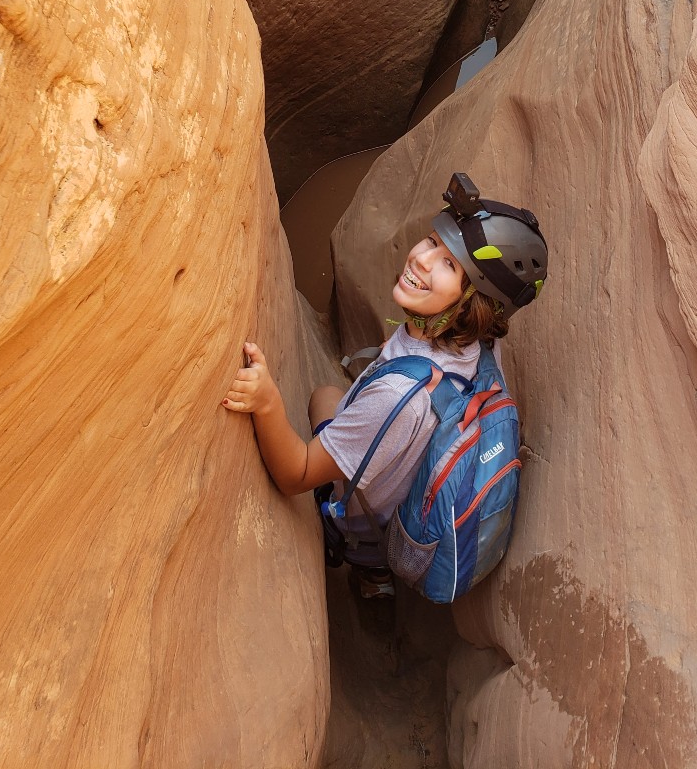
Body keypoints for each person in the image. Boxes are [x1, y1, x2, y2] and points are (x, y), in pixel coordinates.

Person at [222, 174, 547, 598]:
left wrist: (266, 403)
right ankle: (375, 575)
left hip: (365, 522)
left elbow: (294, 474)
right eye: (433, 241)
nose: (422, 259)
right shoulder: (480, 343)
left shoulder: (397, 399)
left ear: (474, 308)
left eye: (450, 265)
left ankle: (369, 572)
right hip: (402, 496)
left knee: (322, 397)